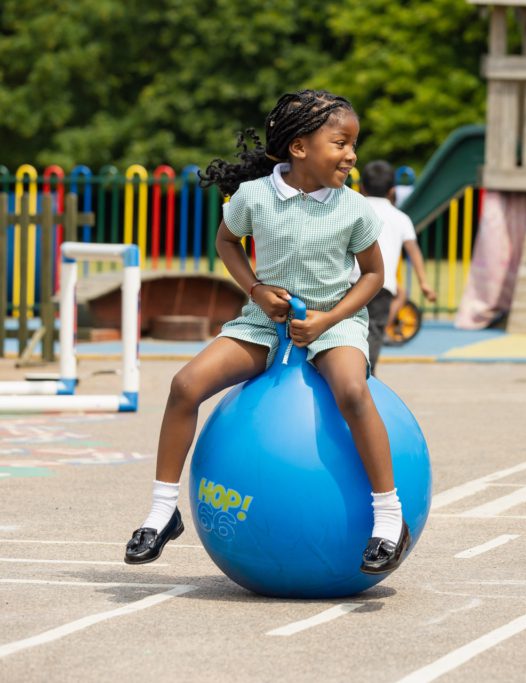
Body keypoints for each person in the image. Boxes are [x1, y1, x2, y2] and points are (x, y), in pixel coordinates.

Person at [123, 89, 409, 575]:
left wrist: (328, 319)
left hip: (333, 324)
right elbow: (226, 241)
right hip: (262, 323)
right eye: (340, 143)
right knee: (184, 386)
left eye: (353, 144)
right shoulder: (254, 196)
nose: (352, 154)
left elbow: (373, 275)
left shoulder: (357, 208)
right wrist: (255, 289)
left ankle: (388, 517)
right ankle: (162, 511)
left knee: (352, 391)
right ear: (300, 148)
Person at [349, 159, 436, 374]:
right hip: (382, 284)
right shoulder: (401, 217)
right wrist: (424, 282)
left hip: (350, 279)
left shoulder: (352, 209)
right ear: (392, 190)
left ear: (361, 187)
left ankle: (345, 371)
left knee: (347, 328)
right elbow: (413, 250)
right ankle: (368, 375)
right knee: (375, 330)